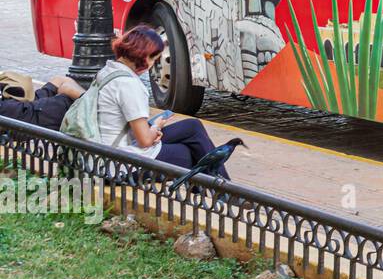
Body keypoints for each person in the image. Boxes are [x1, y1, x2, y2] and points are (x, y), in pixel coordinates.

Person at [93, 26, 232, 181]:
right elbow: (145, 140)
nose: (152, 64)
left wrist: (152, 128)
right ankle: (226, 192)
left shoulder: (107, 71)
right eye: (153, 59)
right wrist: (156, 126)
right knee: (187, 155)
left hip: (105, 153)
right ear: (143, 56)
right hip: (118, 165)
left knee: (193, 127)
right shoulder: (128, 85)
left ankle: (223, 190)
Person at [0, 74, 83, 131]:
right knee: (66, 90)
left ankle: (91, 102)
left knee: (59, 80)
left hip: (19, 106)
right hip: (25, 116)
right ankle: (91, 105)